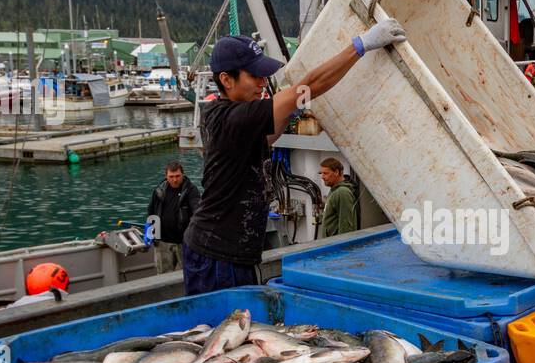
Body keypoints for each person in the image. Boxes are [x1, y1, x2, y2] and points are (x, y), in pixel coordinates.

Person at [182, 22, 407, 294]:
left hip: (234, 254)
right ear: (226, 80)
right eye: (254, 76)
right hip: (216, 257)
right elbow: (310, 86)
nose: (263, 83)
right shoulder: (235, 118)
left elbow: (269, 137)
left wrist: (290, 109)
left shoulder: (226, 117)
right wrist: (360, 46)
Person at [145, 160, 200, 274]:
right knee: (163, 275)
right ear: (166, 176)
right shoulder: (159, 190)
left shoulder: (191, 190)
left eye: (177, 176)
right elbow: (151, 212)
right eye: (171, 176)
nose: (174, 180)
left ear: (183, 174)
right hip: (162, 243)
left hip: (184, 243)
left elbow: (197, 211)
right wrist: (149, 230)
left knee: (188, 274)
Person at [319, 157, 358, 238]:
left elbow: (346, 227)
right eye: (321, 173)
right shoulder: (334, 190)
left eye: (325, 173)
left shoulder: (342, 193)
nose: (322, 177)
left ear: (336, 172)